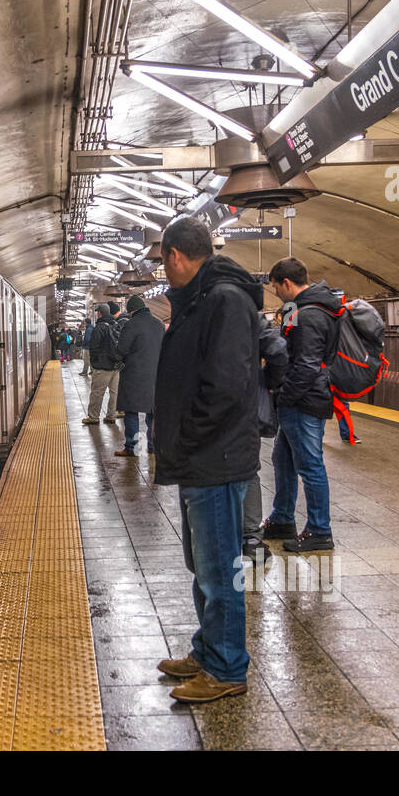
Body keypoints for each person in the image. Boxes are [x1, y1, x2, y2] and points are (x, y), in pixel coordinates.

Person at [151, 216, 262, 704]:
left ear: (176, 255)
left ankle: (227, 668)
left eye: (163, 261)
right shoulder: (203, 297)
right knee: (202, 565)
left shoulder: (224, 300)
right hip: (200, 457)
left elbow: (224, 383)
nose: (163, 271)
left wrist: (190, 434)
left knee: (220, 570)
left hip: (214, 457)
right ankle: (209, 649)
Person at [259, 258, 341, 553]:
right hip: (300, 399)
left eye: (276, 288)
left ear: (287, 283)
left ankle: (320, 530)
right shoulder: (301, 311)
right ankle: (282, 519)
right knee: (283, 460)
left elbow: (306, 364)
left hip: (305, 401)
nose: (276, 294)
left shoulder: (309, 315)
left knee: (310, 465)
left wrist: (284, 396)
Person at [243, 312, 288, 563]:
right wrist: (268, 382)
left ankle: (221, 535)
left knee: (210, 469)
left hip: (205, 407)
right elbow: (278, 351)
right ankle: (251, 538)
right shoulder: (246, 311)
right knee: (248, 469)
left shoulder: (195, 307)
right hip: (245, 405)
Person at [112, 295, 161, 460]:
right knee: (153, 413)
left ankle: (132, 448)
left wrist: (116, 358)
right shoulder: (159, 324)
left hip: (134, 375)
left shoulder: (131, 325)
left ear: (131, 310)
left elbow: (121, 350)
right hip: (157, 376)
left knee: (131, 412)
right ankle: (153, 446)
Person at [82, 304, 121, 425]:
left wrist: (95, 363)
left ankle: (93, 417)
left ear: (99, 313)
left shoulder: (99, 327)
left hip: (103, 366)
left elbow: (94, 347)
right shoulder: (116, 325)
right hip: (116, 365)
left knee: (97, 392)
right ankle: (111, 415)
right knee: (114, 392)